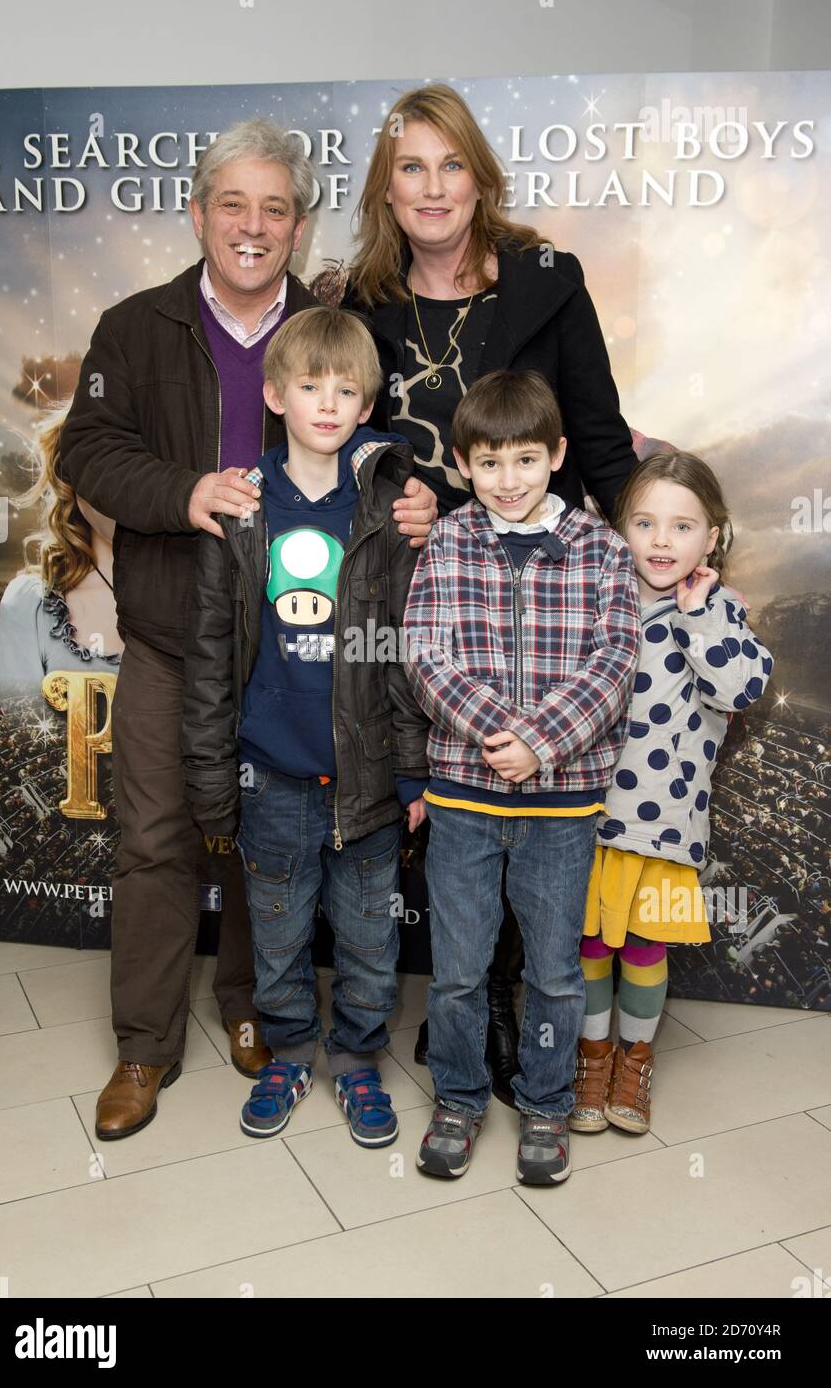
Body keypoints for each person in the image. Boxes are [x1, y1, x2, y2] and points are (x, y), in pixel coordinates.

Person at [59, 117, 439, 1141]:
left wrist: (416, 503)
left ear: (300, 224)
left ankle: (249, 1014)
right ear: (197, 212)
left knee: (261, 847)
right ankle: (143, 1049)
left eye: (276, 207)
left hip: (294, 655)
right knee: (155, 840)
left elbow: (393, 454)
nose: (253, 225)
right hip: (175, 637)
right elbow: (86, 452)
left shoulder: (333, 335)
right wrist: (182, 492)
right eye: (233, 202)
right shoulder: (135, 327)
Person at [318, 82, 639, 1093]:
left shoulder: (545, 282)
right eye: (409, 166)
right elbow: (346, 437)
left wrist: (655, 549)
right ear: (384, 184)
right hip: (411, 590)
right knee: (441, 807)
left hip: (534, 591)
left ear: (479, 176)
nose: (431, 186)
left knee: (530, 813)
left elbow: (594, 435)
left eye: (450, 164)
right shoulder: (360, 304)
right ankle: (458, 1006)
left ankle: (510, 1016)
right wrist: (402, 493)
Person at [180, 306, 430, 1147]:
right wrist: (212, 774)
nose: (327, 403)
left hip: (365, 783)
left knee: (368, 940)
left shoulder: (389, 513)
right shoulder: (241, 509)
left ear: (367, 407)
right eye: (310, 385)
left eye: (346, 389)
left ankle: (358, 1062)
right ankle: (288, 1052)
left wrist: (413, 772)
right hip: (270, 778)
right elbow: (211, 653)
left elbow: (406, 655)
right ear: (277, 395)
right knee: (279, 936)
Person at [402, 369, 641, 1184]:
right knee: (461, 967)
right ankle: (461, 1099)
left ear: (558, 457)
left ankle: (545, 1103)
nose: (509, 481)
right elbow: (424, 653)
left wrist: (541, 742)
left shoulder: (601, 549)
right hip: (464, 798)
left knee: (552, 971)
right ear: (464, 464)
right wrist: (492, 732)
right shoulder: (448, 541)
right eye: (491, 463)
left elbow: (614, 665)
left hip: (563, 804)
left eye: (527, 461)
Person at [572, 451, 774, 1135]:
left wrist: (697, 616)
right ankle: (592, 1055)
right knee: (590, 949)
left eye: (682, 526)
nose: (661, 541)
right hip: (587, 817)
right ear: (619, 527)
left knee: (645, 949)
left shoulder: (721, 613)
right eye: (646, 522)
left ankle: (635, 1058)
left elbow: (740, 689)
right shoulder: (601, 595)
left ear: (711, 537)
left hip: (664, 828)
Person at [0, 403, 122, 713]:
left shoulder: (207, 596)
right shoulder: (29, 607)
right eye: (105, 460)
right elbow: (28, 744)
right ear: (69, 474)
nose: (127, 485)